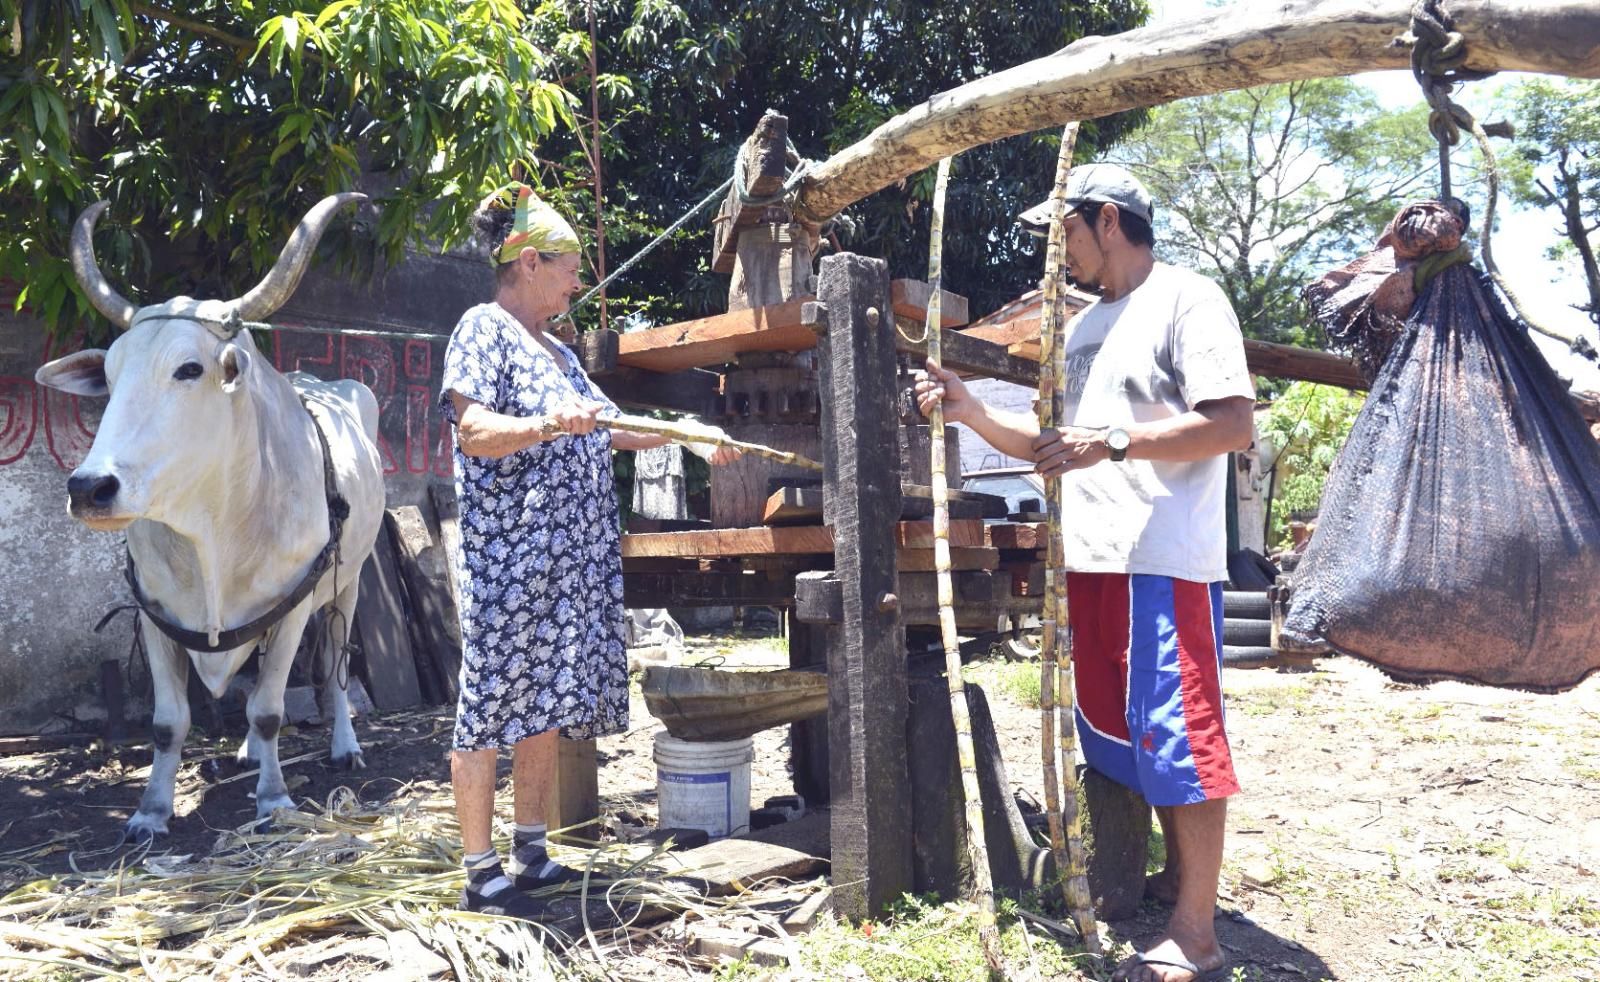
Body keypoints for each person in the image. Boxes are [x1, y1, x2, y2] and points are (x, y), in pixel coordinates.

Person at [916, 164, 1254, 982]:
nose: (1057, 250)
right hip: (1092, 560)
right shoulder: (1084, 326)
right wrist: (970, 411)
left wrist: (1115, 442)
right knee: (1125, 735)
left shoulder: (1188, 298)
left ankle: (1197, 934)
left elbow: (1232, 424)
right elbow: (1053, 449)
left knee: (1179, 732)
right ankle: (1177, 879)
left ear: (1107, 220)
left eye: (1064, 231)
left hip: (1163, 560)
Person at [438, 183, 737, 920]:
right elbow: (473, 431)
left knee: (543, 702)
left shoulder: (561, 354)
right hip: (511, 558)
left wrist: (689, 435)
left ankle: (530, 850)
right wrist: (546, 424)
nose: (577, 284)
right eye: (569, 270)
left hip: (569, 563)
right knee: (489, 705)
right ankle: (479, 870)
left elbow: (610, 425)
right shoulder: (481, 329)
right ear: (529, 263)